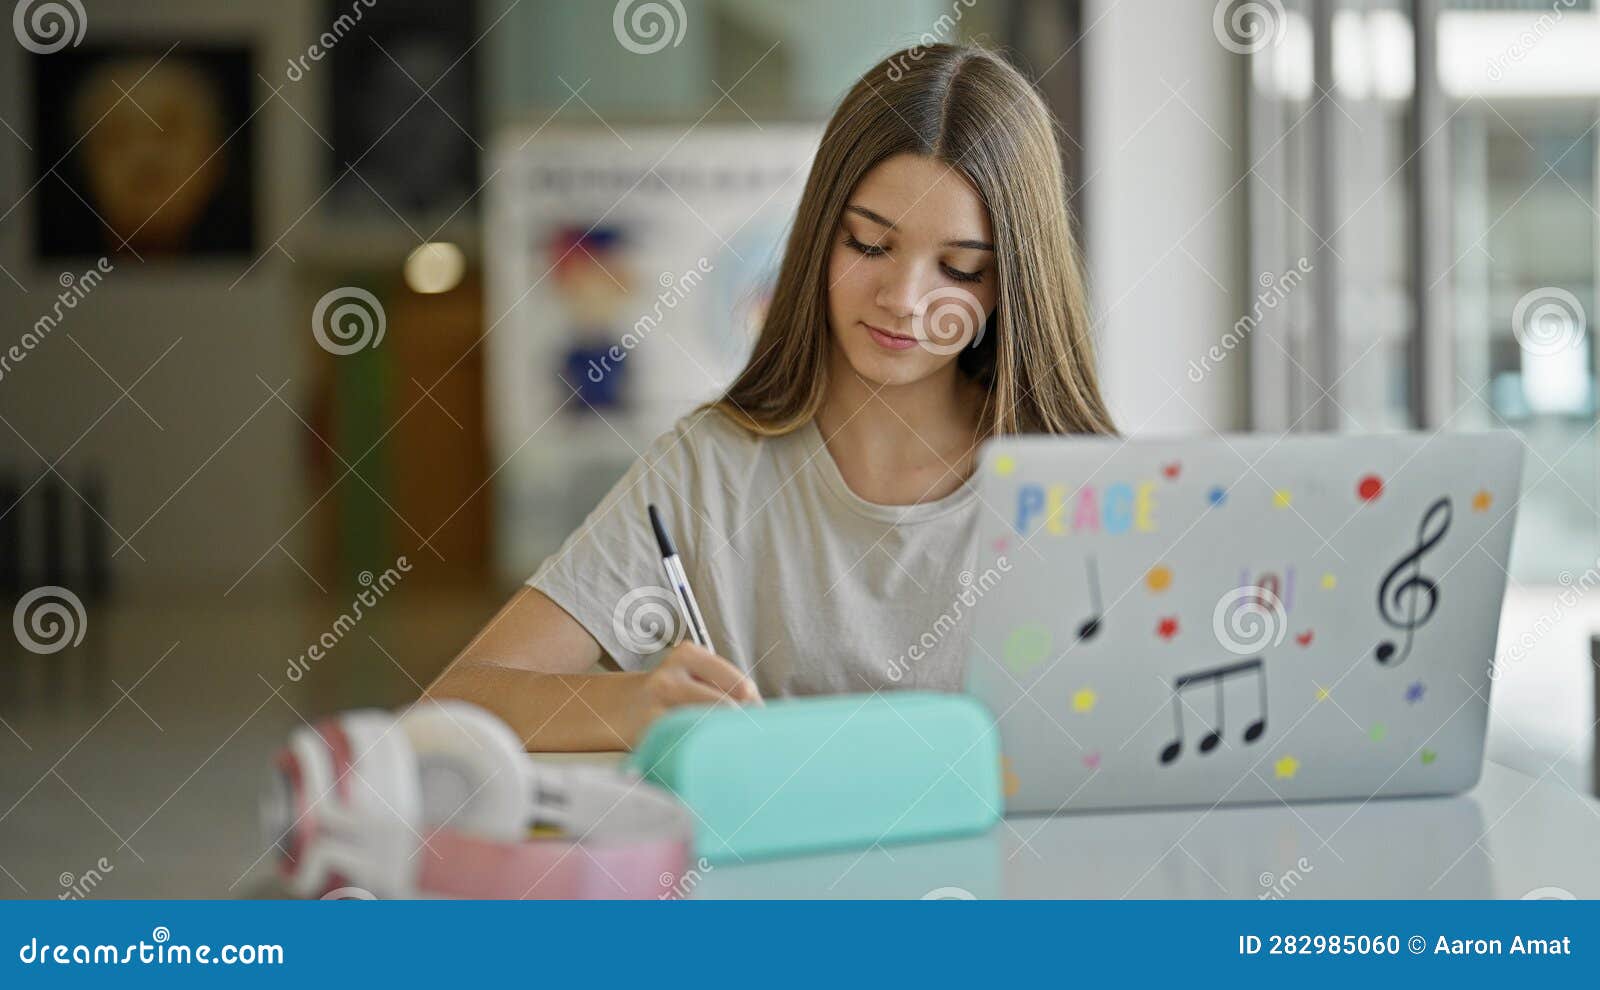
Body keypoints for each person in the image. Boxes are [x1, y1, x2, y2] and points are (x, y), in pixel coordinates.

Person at [425, 42, 1117, 750]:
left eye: (960, 268)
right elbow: (456, 703)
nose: (905, 301)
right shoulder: (709, 472)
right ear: (819, 236)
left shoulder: (1082, 492)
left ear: (1012, 284)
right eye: (869, 246)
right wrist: (634, 705)